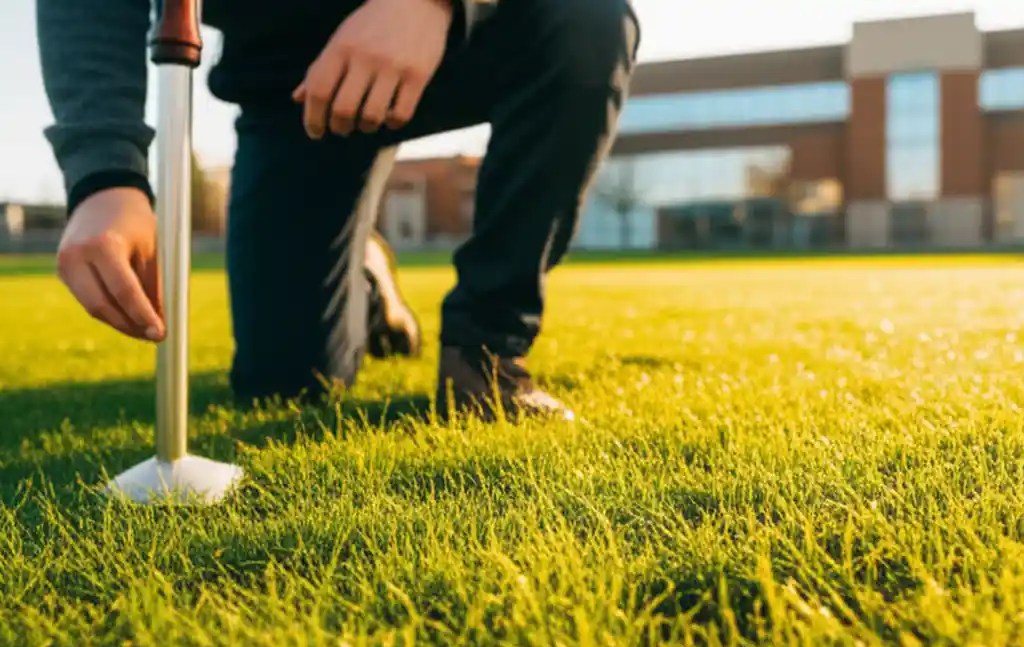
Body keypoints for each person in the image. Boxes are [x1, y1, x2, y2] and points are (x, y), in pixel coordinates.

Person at [37, 0, 639, 420]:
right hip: (291, 92)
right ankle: (369, 282)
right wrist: (105, 176)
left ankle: (486, 350)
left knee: (586, 17)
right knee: (287, 384)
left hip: (454, 30)